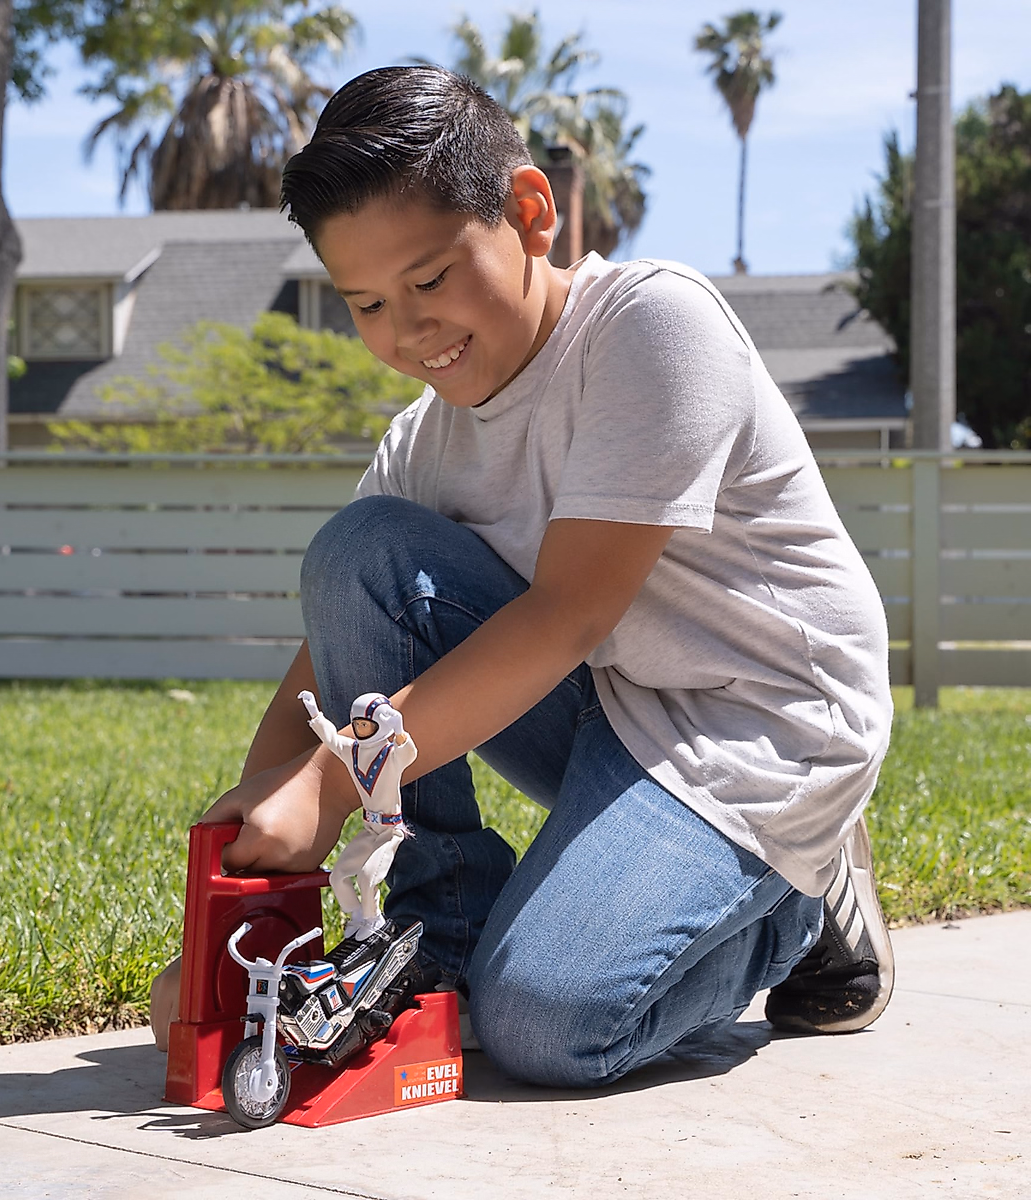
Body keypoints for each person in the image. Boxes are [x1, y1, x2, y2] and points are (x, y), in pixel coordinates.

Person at [150, 65, 895, 1086]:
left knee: (549, 1024)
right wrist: (230, 897)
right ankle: (438, 937)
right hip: (615, 711)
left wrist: (329, 788)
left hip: (763, 726)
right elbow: (327, 664)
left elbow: (570, 614)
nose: (407, 330)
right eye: (365, 302)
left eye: (429, 279)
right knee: (362, 550)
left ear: (531, 211)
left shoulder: (651, 327)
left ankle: (799, 909)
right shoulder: (425, 441)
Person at [300, 689, 417, 940]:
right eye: (358, 725)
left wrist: (400, 732)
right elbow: (331, 738)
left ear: (382, 724)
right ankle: (357, 916)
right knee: (338, 875)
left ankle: (374, 920)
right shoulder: (352, 750)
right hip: (369, 828)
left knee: (367, 877)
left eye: (366, 724)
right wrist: (315, 714)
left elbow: (409, 754)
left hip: (390, 831)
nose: (361, 729)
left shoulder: (390, 755)